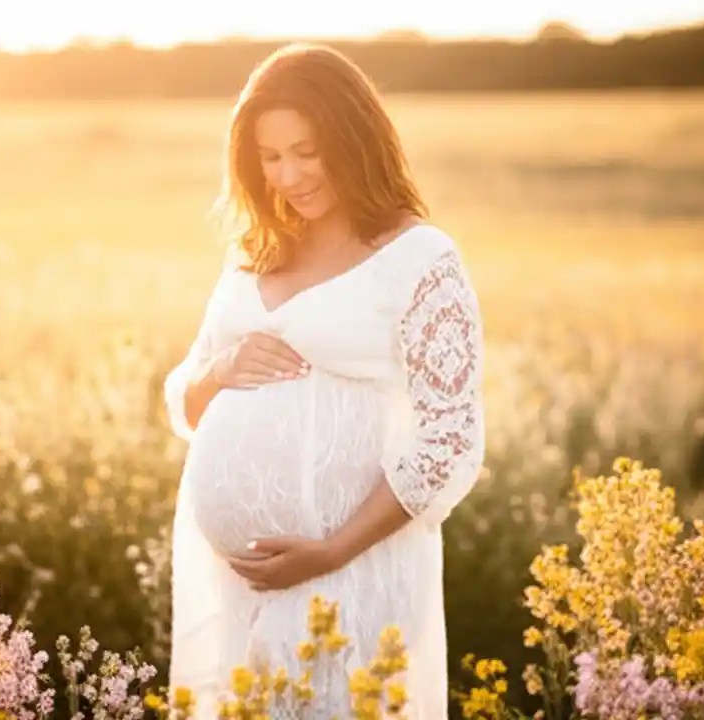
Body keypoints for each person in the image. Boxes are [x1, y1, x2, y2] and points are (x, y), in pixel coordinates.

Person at [162, 42, 486, 718]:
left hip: (354, 573)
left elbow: (450, 438)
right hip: (236, 588)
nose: (289, 176)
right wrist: (221, 370)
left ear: (354, 138)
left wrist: (330, 550)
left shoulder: (419, 258)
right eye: (270, 157)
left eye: (307, 151)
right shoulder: (251, 257)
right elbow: (188, 402)